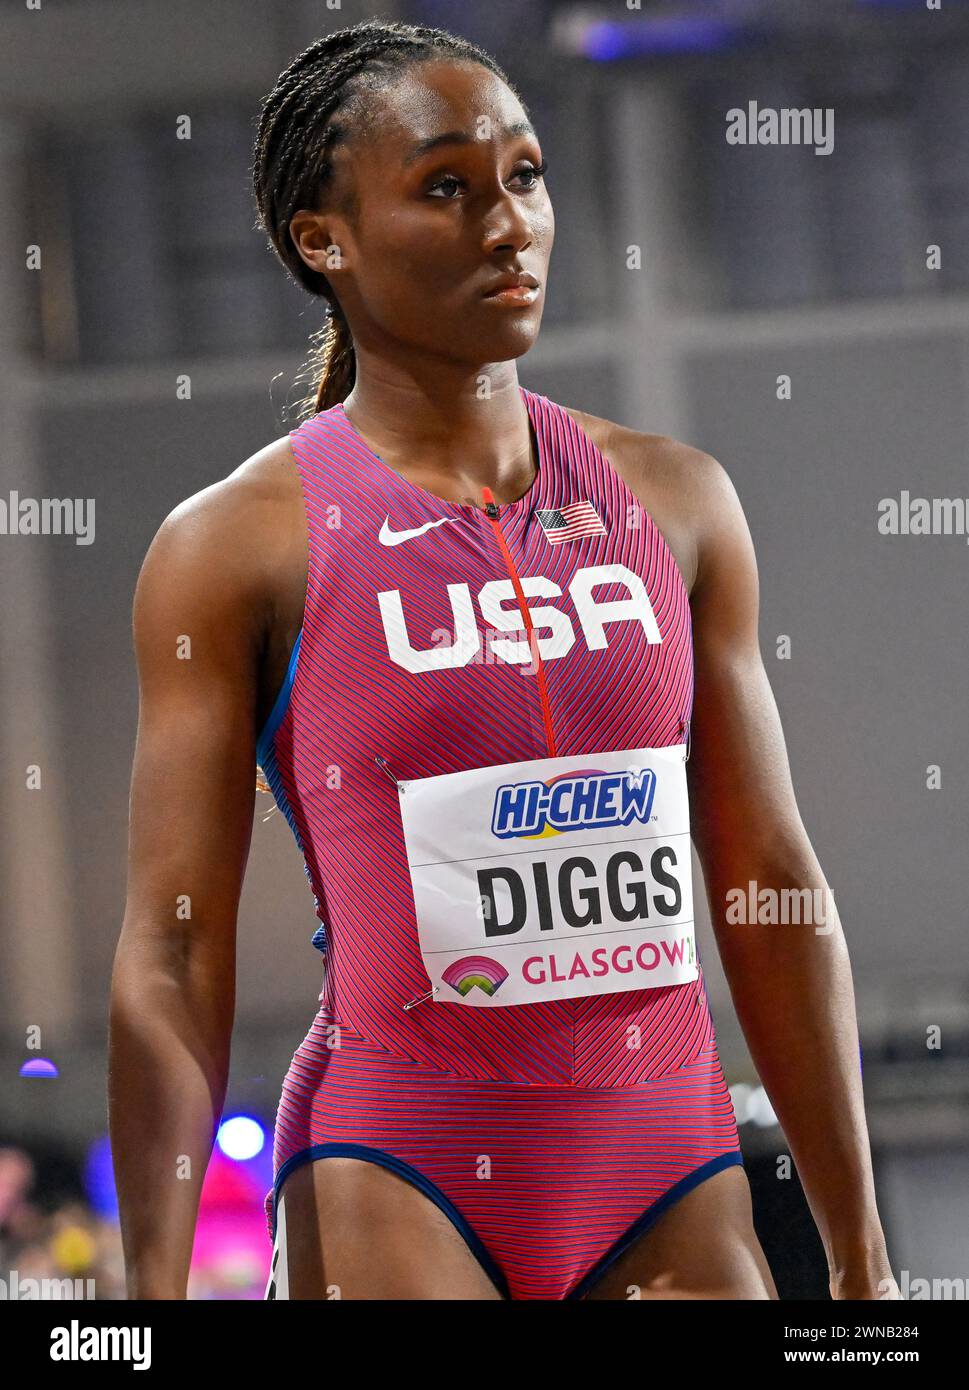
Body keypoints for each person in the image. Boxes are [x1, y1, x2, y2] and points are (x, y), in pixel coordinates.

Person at [109, 18, 897, 1301]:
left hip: (668, 1155)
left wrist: (863, 1260)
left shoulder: (679, 502)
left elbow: (768, 876)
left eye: (525, 175)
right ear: (326, 240)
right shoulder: (235, 546)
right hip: (399, 1165)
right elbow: (175, 943)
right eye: (445, 187)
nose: (507, 223)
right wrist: (137, 1300)